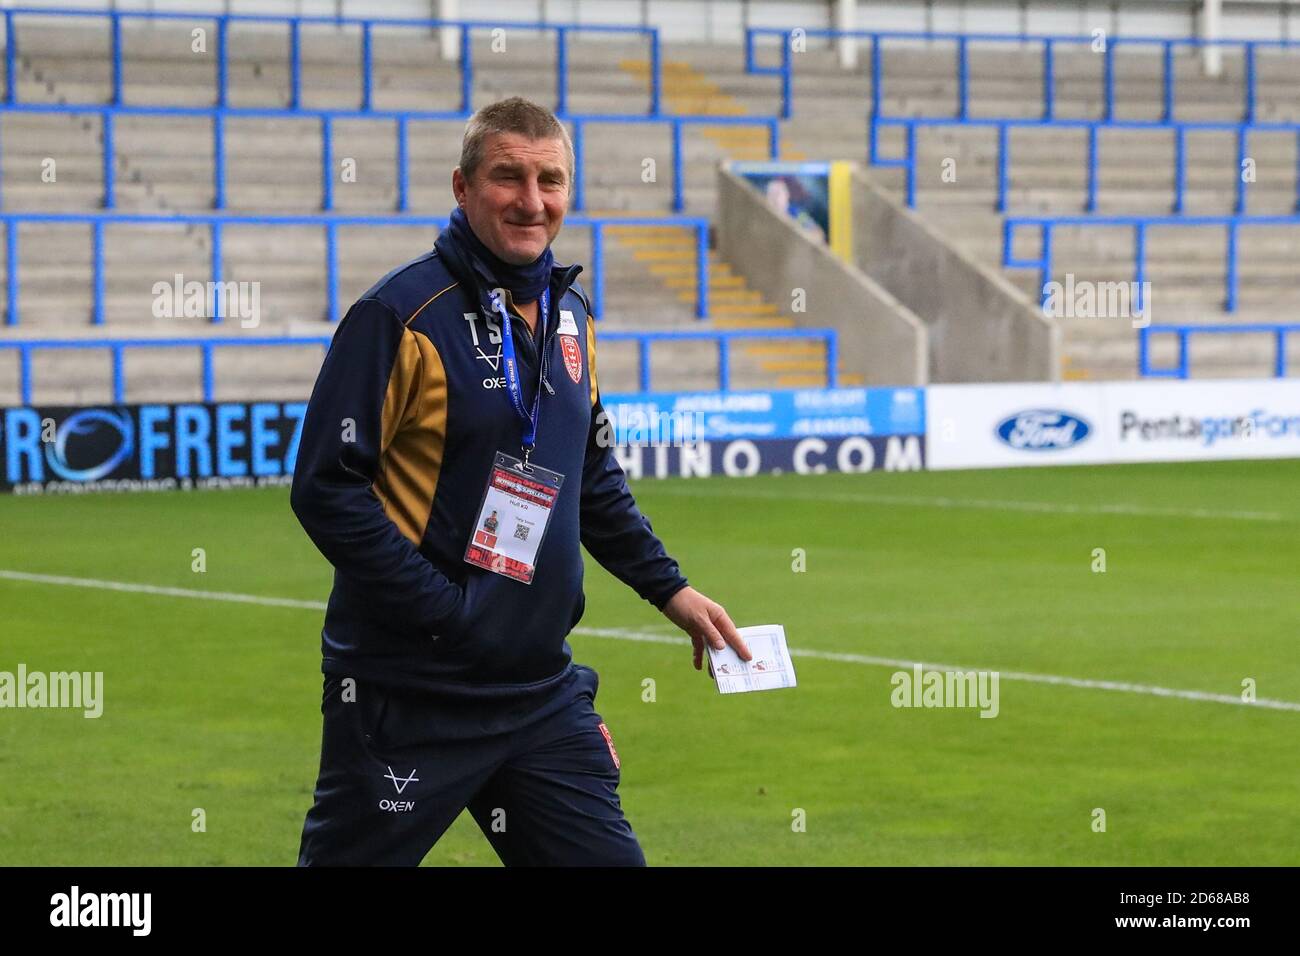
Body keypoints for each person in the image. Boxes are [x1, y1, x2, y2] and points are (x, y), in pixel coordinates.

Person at [291, 96, 751, 866]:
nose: (531, 201)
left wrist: (671, 591)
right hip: (411, 695)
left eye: (550, 181)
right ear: (463, 187)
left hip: (537, 692)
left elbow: (589, 476)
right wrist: (451, 613)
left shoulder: (572, 312)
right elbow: (326, 488)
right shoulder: (399, 316)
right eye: (508, 177)